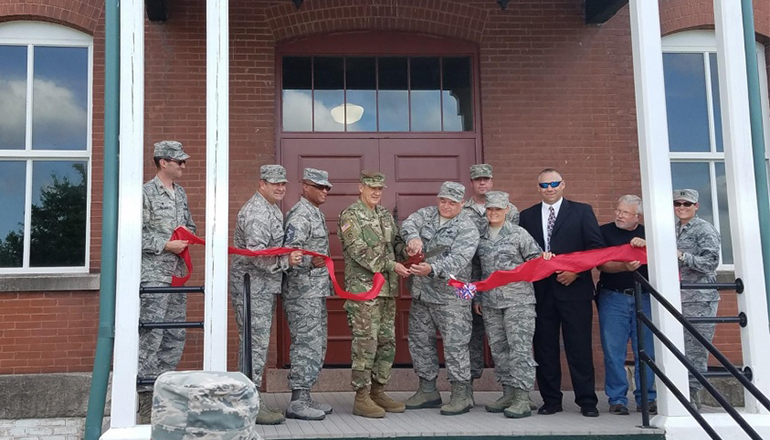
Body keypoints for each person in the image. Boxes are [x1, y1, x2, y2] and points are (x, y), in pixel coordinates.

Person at [518, 168, 605, 417]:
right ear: (538, 188)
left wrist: (576, 271)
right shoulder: (527, 216)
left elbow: (595, 249)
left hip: (574, 290)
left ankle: (587, 401)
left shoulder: (582, 211)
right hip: (541, 291)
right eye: (544, 185)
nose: (549, 189)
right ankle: (551, 400)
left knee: (579, 347)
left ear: (563, 184)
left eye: (554, 184)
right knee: (545, 348)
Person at [229, 164, 302, 425]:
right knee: (254, 345)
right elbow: (257, 256)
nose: (280, 188)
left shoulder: (271, 208)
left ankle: (250, 398)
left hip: (262, 287)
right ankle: (249, 403)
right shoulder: (257, 213)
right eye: (274, 183)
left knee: (256, 344)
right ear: (262, 184)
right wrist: (286, 262)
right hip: (252, 287)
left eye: (283, 183)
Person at [401, 181, 480, 416]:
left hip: (451, 298)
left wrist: (432, 269)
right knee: (420, 341)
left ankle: (461, 394)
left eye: (452, 203)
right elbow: (408, 223)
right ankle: (427, 390)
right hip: (421, 294)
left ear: (462, 203)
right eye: (442, 200)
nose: (445, 206)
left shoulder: (467, 227)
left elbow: (459, 260)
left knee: (456, 345)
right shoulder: (427, 214)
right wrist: (413, 238)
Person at [338, 170, 410, 418]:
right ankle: (361, 397)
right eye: (372, 188)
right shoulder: (350, 215)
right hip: (364, 291)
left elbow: (395, 243)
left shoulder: (384, 215)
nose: (376, 192)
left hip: (387, 291)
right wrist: (391, 265)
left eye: (380, 189)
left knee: (386, 342)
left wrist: (408, 252)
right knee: (365, 343)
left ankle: (378, 391)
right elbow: (358, 251)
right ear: (361, 188)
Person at [475, 191, 548, 419]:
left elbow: (536, 262)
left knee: (519, 349)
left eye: (498, 209)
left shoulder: (519, 234)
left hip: (518, 301)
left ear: (507, 210)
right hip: (490, 301)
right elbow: (477, 269)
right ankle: (508, 393)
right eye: (490, 209)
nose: (493, 213)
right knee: (499, 349)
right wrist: (477, 297)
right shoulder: (480, 235)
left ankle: (522, 397)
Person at [138, 140, 197, 424]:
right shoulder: (145, 193)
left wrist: (187, 235)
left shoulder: (180, 193)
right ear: (163, 162)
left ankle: (163, 395)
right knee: (152, 335)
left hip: (176, 275)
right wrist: (165, 244)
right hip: (154, 275)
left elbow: (190, 224)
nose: (184, 165)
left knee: (175, 335)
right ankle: (145, 399)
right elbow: (135, 234)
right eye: (179, 161)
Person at [282, 168, 335, 421]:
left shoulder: (315, 213)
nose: (325, 191)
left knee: (316, 343)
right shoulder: (301, 215)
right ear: (305, 187)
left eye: (327, 188)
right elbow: (289, 252)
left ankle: (305, 395)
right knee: (305, 343)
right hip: (302, 292)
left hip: (314, 291)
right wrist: (308, 262)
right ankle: (297, 401)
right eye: (319, 187)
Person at [596, 195, 657, 415]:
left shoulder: (650, 234)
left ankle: (646, 398)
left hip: (645, 297)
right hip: (613, 297)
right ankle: (617, 399)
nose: (619, 216)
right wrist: (623, 266)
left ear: (637, 216)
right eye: (618, 210)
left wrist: (648, 246)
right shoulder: (604, 232)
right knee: (613, 351)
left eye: (625, 212)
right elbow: (601, 264)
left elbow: (665, 258)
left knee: (646, 351)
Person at [462, 164, 520, 394]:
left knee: (507, 337)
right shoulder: (461, 210)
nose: (482, 183)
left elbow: (515, 244)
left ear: (492, 181)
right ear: (471, 183)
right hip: (467, 279)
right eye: (478, 180)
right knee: (468, 334)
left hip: (499, 283)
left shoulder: (510, 210)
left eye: (486, 179)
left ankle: (513, 390)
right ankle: (466, 389)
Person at [673, 189, 720, 410]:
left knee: (695, 350)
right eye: (678, 203)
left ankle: (691, 394)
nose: (682, 207)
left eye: (687, 204)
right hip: (675, 297)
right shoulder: (670, 229)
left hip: (699, 300)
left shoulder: (704, 229)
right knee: (677, 347)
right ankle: (679, 393)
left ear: (696, 206)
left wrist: (683, 256)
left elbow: (711, 262)